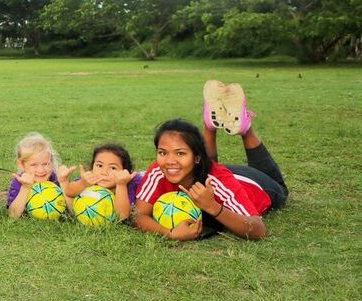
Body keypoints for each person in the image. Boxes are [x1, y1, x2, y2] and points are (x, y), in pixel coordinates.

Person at [134, 82, 286, 241]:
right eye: (162, 152)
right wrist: (170, 234)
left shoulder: (219, 180)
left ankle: (246, 130)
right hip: (213, 171)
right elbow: (138, 216)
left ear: (197, 157)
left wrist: (212, 206)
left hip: (259, 184)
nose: (169, 161)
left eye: (180, 153)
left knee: (280, 187)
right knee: (206, 173)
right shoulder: (158, 171)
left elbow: (258, 230)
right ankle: (210, 125)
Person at [62, 143, 141, 222]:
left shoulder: (131, 184)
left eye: (113, 168)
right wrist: (83, 183)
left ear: (124, 172)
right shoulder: (90, 180)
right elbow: (69, 192)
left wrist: (121, 185)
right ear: (92, 168)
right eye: (99, 166)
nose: (104, 172)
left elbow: (122, 217)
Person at [5, 133, 76, 219]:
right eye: (34, 165)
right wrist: (25, 188)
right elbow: (13, 215)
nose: (41, 170)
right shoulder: (19, 183)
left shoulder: (56, 178)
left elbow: (74, 211)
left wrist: (64, 182)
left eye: (45, 164)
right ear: (21, 165)